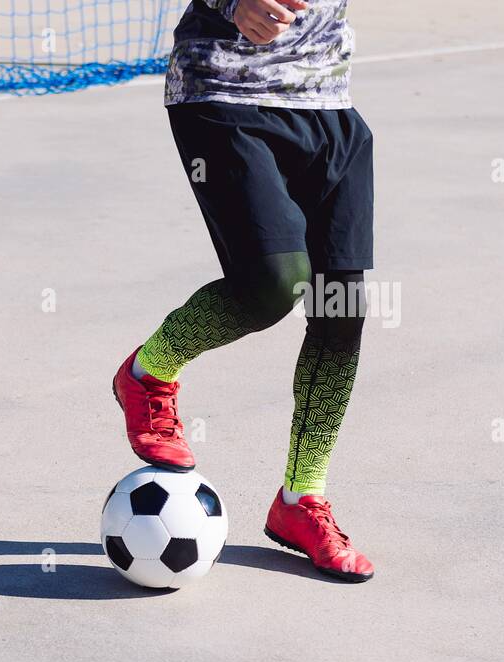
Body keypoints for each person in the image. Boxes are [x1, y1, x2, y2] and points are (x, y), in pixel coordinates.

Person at [114, 0, 375, 581]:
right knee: (273, 284)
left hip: (327, 100)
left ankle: (300, 502)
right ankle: (150, 370)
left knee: (342, 308)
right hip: (223, 91)